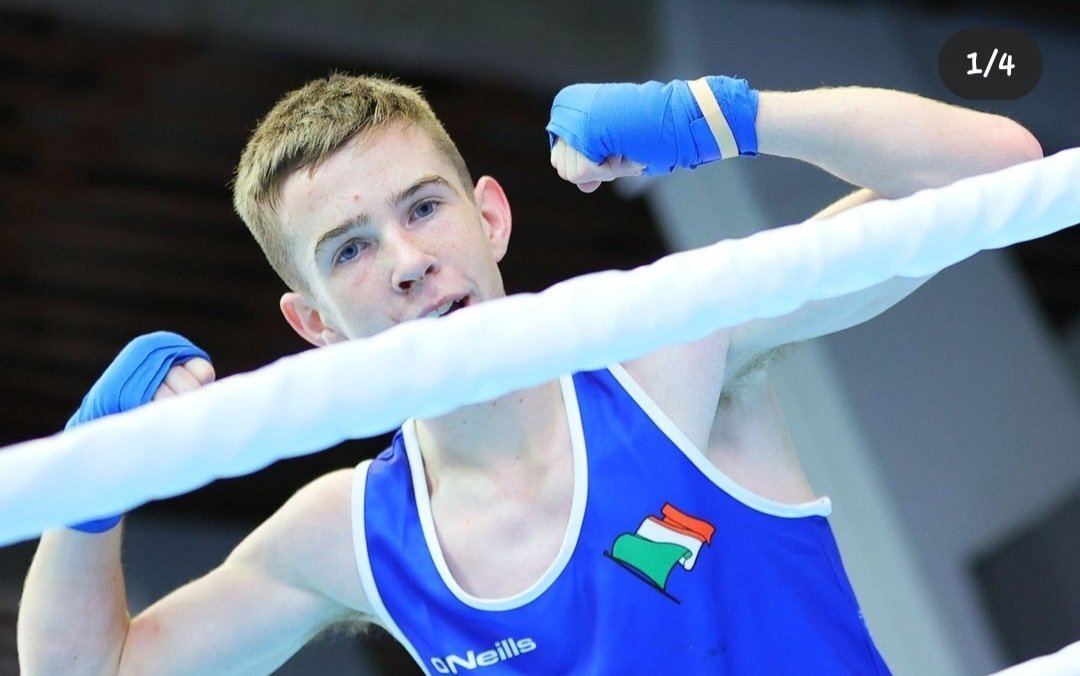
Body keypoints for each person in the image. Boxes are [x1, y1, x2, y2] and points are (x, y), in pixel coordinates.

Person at [17, 72, 1043, 674]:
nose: (409, 261)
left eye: (423, 208)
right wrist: (92, 482)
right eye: (351, 250)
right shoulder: (353, 534)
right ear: (312, 323)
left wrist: (733, 115)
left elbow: (1004, 175)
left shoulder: (663, 352)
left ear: (491, 217)